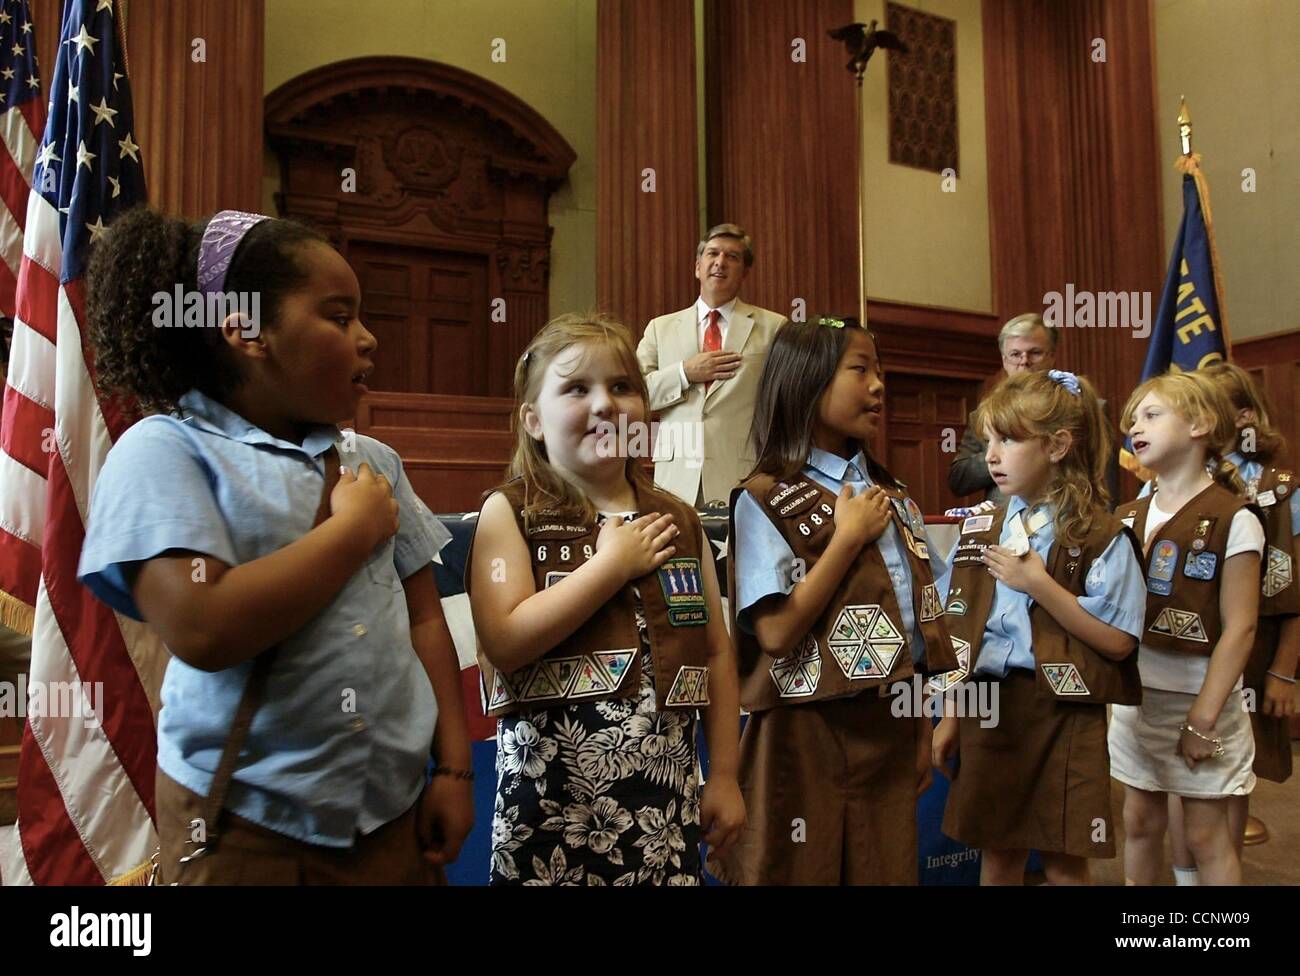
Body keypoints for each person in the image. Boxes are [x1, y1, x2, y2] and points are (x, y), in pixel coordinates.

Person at [77, 208, 474, 883]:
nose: (368, 338)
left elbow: (424, 616)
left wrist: (455, 767)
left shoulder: (373, 459)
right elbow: (203, 626)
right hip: (249, 829)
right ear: (246, 330)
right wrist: (350, 532)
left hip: (391, 816)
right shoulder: (164, 451)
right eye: (339, 316)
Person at [467, 313, 745, 885]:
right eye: (576, 388)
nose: (605, 404)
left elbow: (716, 653)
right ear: (534, 420)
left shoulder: (680, 520)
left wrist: (725, 775)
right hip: (547, 817)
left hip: (666, 812)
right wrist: (610, 567)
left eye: (622, 386)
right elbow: (505, 640)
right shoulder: (510, 512)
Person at [712, 315, 957, 884]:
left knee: (884, 868)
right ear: (807, 381)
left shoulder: (891, 496)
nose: (878, 386)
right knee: (800, 867)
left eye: (880, 371)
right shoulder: (765, 497)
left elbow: (915, 630)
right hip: (804, 736)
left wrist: (920, 727)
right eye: (860, 369)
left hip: (889, 726)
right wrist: (846, 540)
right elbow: (774, 633)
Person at [932, 369, 1146, 885]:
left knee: (1064, 853)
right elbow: (967, 629)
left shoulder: (1097, 532)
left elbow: (1118, 642)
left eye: (1009, 440)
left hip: (1063, 711)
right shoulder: (985, 525)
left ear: (1057, 445)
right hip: (990, 705)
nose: (992, 456)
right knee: (998, 849)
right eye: (988, 442)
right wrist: (953, 715)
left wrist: (1040, 585)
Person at [1109, 371, 1264, 886]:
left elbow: (1240, 629)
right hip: (1137, 699)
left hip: (1200, 702)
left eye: (1152, 414)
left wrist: (1203, 717)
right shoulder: (1125, 514)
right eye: (1133, 418)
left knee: (1204, 834)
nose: (1136, 425)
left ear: (1199, 424)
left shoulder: (1233, 517)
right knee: (1138, 820)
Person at [1157, 362, 1299, 884]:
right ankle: (1185, 879)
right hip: (1183, 652)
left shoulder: (1279, 489)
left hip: (1251, 646)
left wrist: (1284, 670)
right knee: (1178, 776)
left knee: (1229, 779)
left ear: (1240, 415)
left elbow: (1292, 583)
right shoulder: (1175, 482)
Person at [636, 224, 788, 506]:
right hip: (675, 476)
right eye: (712, 254)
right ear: (698, 266)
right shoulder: (660, 328)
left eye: (732, 256)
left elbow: (785, 402)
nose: (720, 262)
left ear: (745, 272)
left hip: (742, 474)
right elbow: (634, 393)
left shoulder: (774, 327)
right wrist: (685, 373)